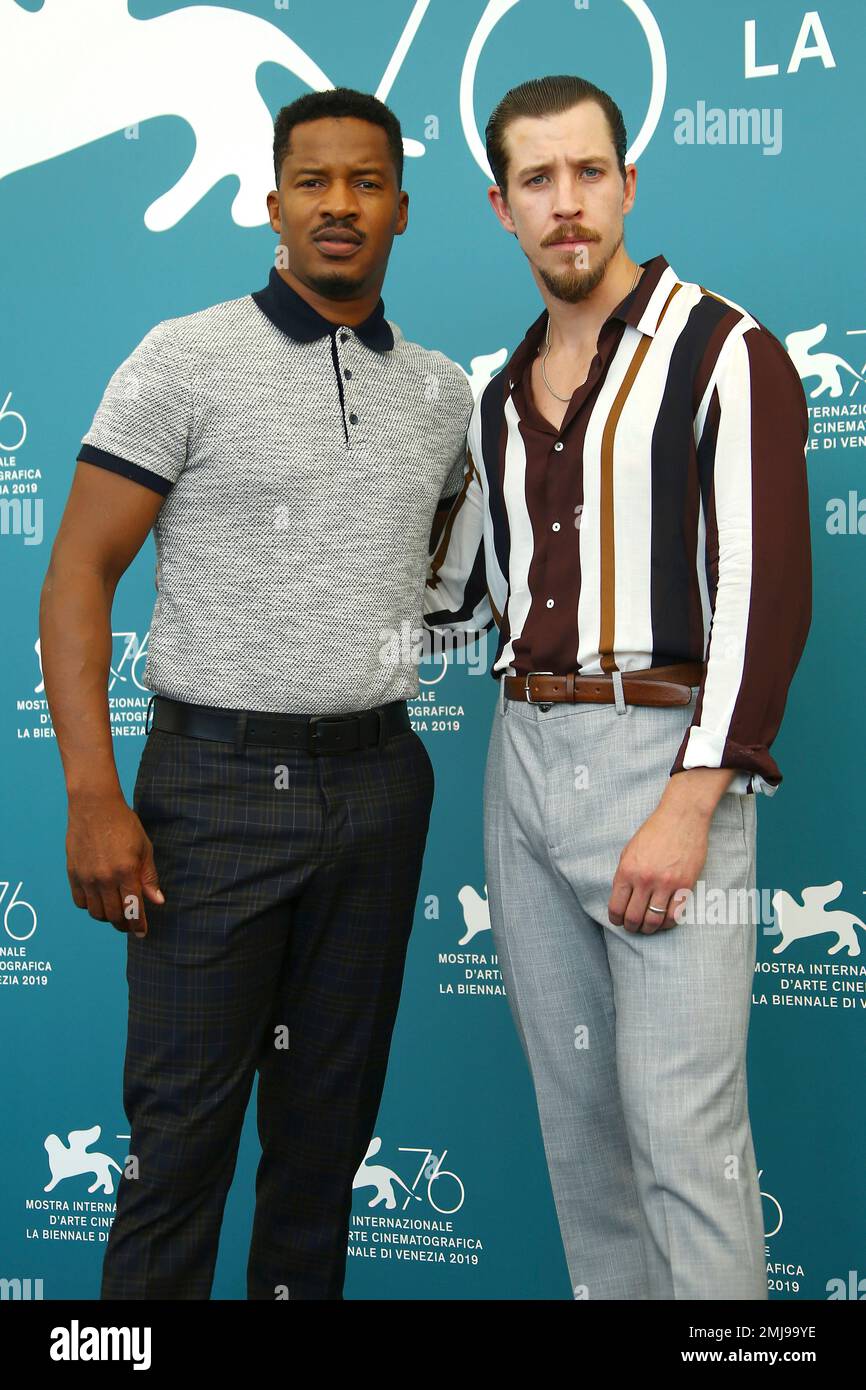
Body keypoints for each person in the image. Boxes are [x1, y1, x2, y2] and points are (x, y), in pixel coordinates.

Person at [39, 87, 472, 1301]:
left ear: (401, 208)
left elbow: (438, 568)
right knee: (178, 1151)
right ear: (272, 199)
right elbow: (77, 575)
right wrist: (91, 793)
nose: (339, 204)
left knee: (321, 1155)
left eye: (366, 182)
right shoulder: (184, 358)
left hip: (380, 788)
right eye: (313, 181)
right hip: (212, 791)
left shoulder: (443, 395)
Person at [424, 74, 811, 1300]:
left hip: (663, 760)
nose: (567, 203)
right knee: (581, 1148)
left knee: (683, 1146)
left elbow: (763, 589)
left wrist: (692, 800)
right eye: (537, 181)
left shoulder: (722, 350)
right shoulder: (494, 394)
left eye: (588, 172)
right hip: (523, 758)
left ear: (628, 182)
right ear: (500, 207)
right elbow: (462, 602)